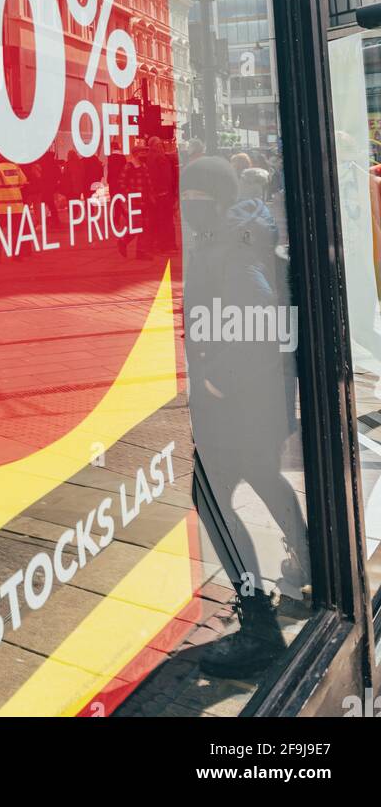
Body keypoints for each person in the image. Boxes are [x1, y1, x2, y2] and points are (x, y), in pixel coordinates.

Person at [181, 156, 308, 677]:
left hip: (235, 405)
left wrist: (217, 379)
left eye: (191, 199)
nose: (185, 209)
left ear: (207, 198)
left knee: (209, 500)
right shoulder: (244, 228)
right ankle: (308, 562)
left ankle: (257, 623)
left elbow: (255, 310)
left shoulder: (231, 245)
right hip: (261, 402)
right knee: (262, 476)